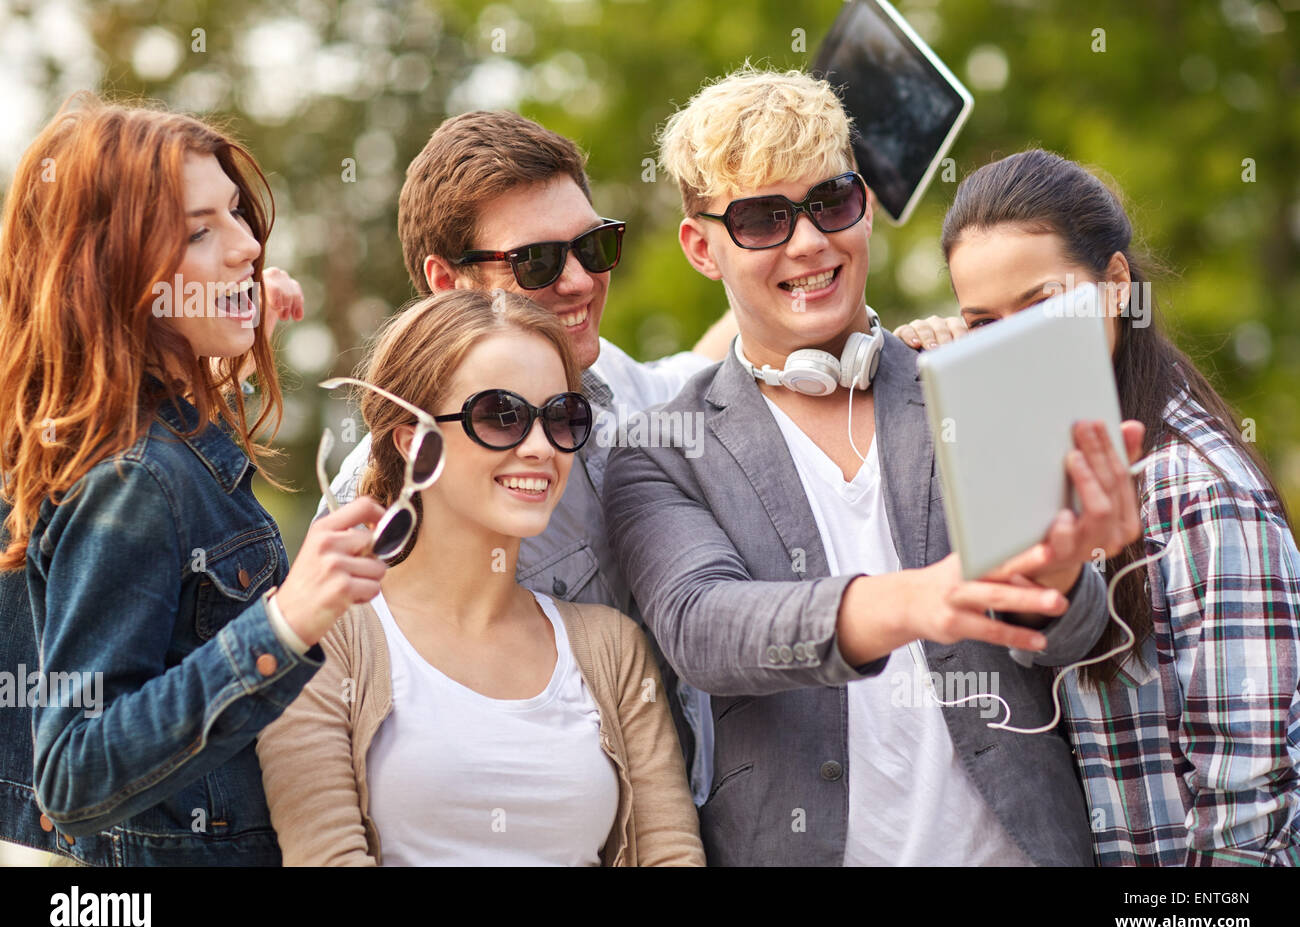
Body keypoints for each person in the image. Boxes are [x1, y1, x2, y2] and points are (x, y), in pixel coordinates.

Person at [602, 67, 1146, 866]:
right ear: (700, 247)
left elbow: (1072, 636)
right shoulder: (661, 447)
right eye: (762, 219)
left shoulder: (968, 379)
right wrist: (914, 600)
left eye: (832, 202)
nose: (810, 242)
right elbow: (703, 629)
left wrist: (1061, 577)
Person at [0, 94, 389, 865]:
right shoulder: (130, 480)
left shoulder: (72, 437)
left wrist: (208, 352)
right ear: (117, 269)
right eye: (200, 230)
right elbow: (73, 774)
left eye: (238, 216)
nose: (248, 245)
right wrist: (284, 624)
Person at [895, 148, 1300, 865]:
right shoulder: (1047, 469)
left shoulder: (1198, 490)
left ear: (1116, 285)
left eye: (1042, 305)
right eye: (983, 321)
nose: (1013, 340)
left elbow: (1251, 824)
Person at [320, 110, 734, 802]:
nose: (578, 281)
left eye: (594, 247)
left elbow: (719, 358)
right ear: (447, 283)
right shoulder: (382, 491)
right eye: (537, 261)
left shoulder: (632, 395)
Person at [256, 289, 704, 866]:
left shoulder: (614, 649)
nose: (542, 448)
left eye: (562, 416)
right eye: (501, 416)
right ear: (415, 441)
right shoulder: (323, 638)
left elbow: (670, 854)